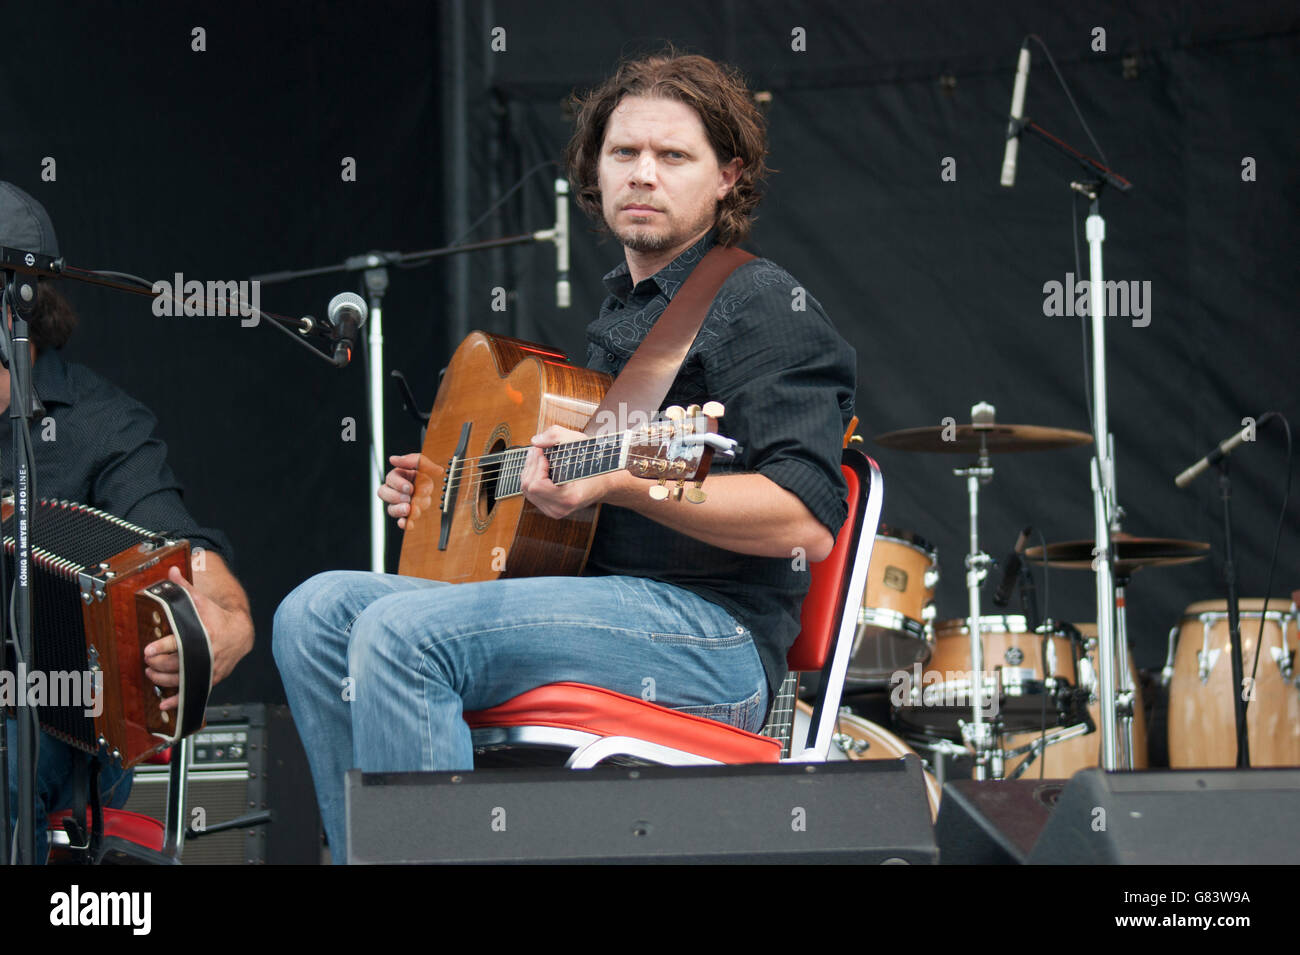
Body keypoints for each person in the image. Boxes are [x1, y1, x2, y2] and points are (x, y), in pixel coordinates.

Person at [273, 51, 856, 863]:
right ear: (594, 170)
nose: (643, 175)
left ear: (728, 176)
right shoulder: (623, 317)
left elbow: (806, 519)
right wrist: (460, 490)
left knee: (404, 634)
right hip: (603, 606)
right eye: (624, 154)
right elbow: (564, 518)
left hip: (712, 641)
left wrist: (628, 481)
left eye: (673, 156)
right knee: (315, 612)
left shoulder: (762, 306)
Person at [0, 181, 255, 862]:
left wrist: (225, 616)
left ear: (16, 303)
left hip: (52, 726)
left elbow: (179, 546)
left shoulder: (102, 426)